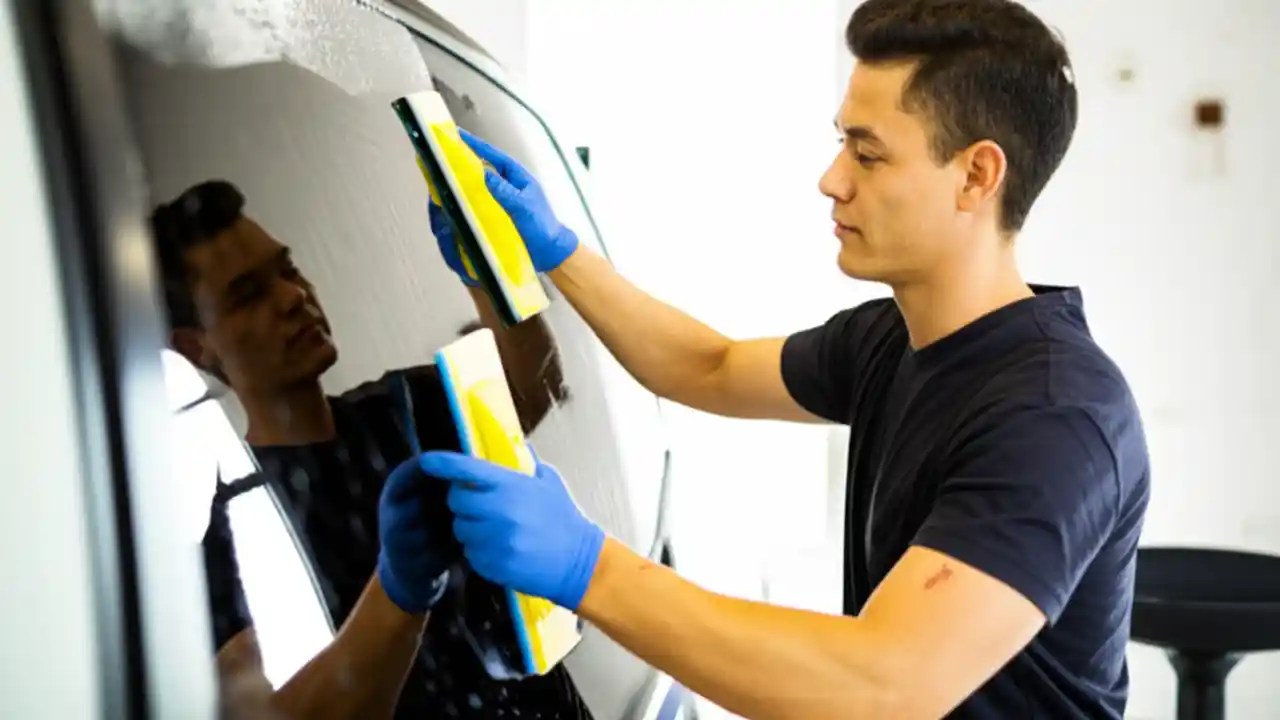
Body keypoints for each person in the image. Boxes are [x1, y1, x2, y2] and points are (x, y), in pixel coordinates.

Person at [417, 1, 1151, 718]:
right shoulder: (889, 341)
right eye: (841, 144)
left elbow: (880, 688)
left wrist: (589, 568)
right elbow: (708, 366)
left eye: (868, 153)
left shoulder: (1056, 416)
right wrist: (559, 254)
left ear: (977, 175)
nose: (833, 179)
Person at [151, 180, 589, 719]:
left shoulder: (408, 404)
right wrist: (397, 594)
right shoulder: (229, 535)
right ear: (196, 347)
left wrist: (487, 271)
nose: (292, 297)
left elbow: (532, 384)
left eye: (286, 270)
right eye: (248, 295)